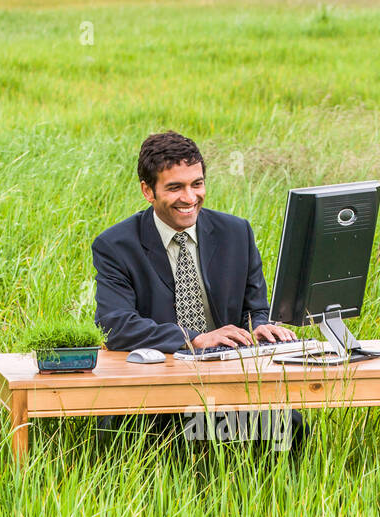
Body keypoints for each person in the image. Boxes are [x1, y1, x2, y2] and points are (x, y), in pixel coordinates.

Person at [90, 130, 310, 455]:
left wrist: (261, 326)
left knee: (290, 426)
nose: (190, 197)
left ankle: (255, 494)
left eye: (197, 183)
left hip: (230, 389)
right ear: (147, 191)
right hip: (158, 398)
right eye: (175, 187)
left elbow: (255, 309)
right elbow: (115, 325)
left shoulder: (237, 233)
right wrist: (193, 338)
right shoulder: (115, 245)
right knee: (150, 436)